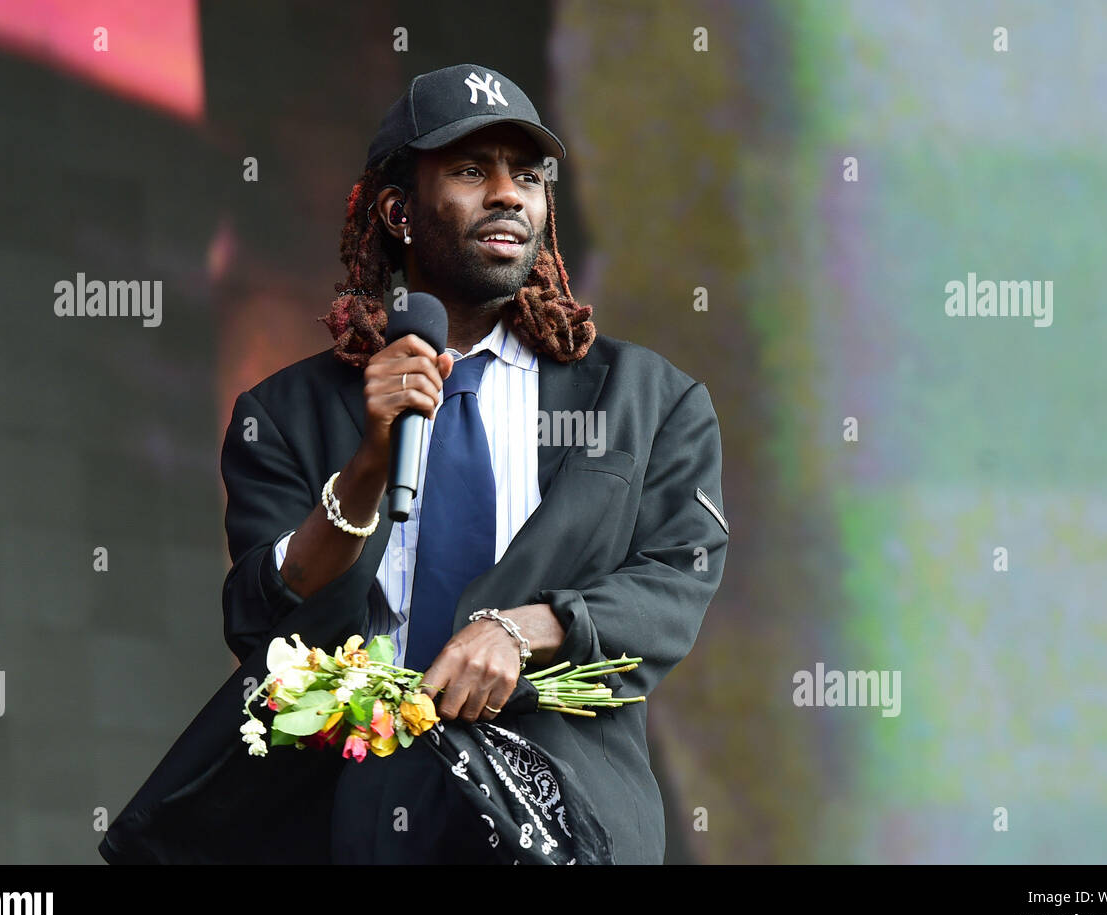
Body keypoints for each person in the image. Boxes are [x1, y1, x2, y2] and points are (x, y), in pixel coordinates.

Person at [101, 63, 729, 866]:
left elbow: (678, 573)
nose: (509, 194)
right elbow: (263, 620)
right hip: (356, 801)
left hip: (558, 807)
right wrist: (367, 464)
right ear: (398, 212)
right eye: (472, 170)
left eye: (528, 176)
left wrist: (522, 629)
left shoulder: (646, 400)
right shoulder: (284, 415)